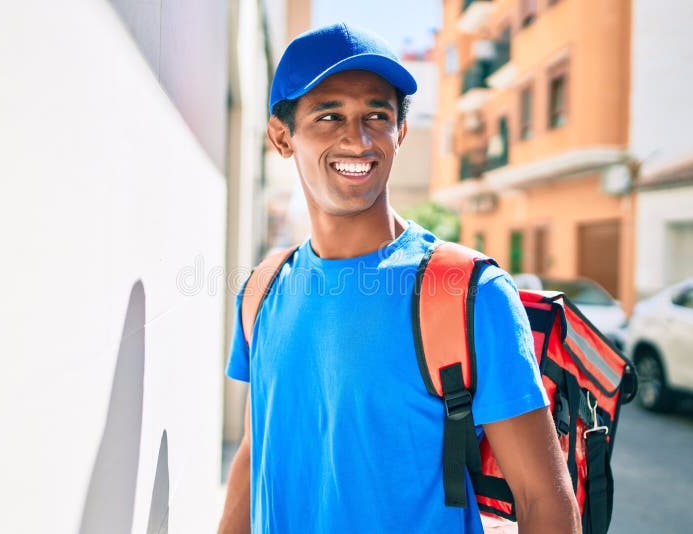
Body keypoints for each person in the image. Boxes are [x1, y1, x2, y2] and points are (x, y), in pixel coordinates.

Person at [218, 23, 580, 534]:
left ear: (400, 132)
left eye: (377, 116)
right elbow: (258, 452)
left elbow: (542, 498)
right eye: (329, 115)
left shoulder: (468, 293)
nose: (357, 138)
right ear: (282, 137)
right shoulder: (263, 288)